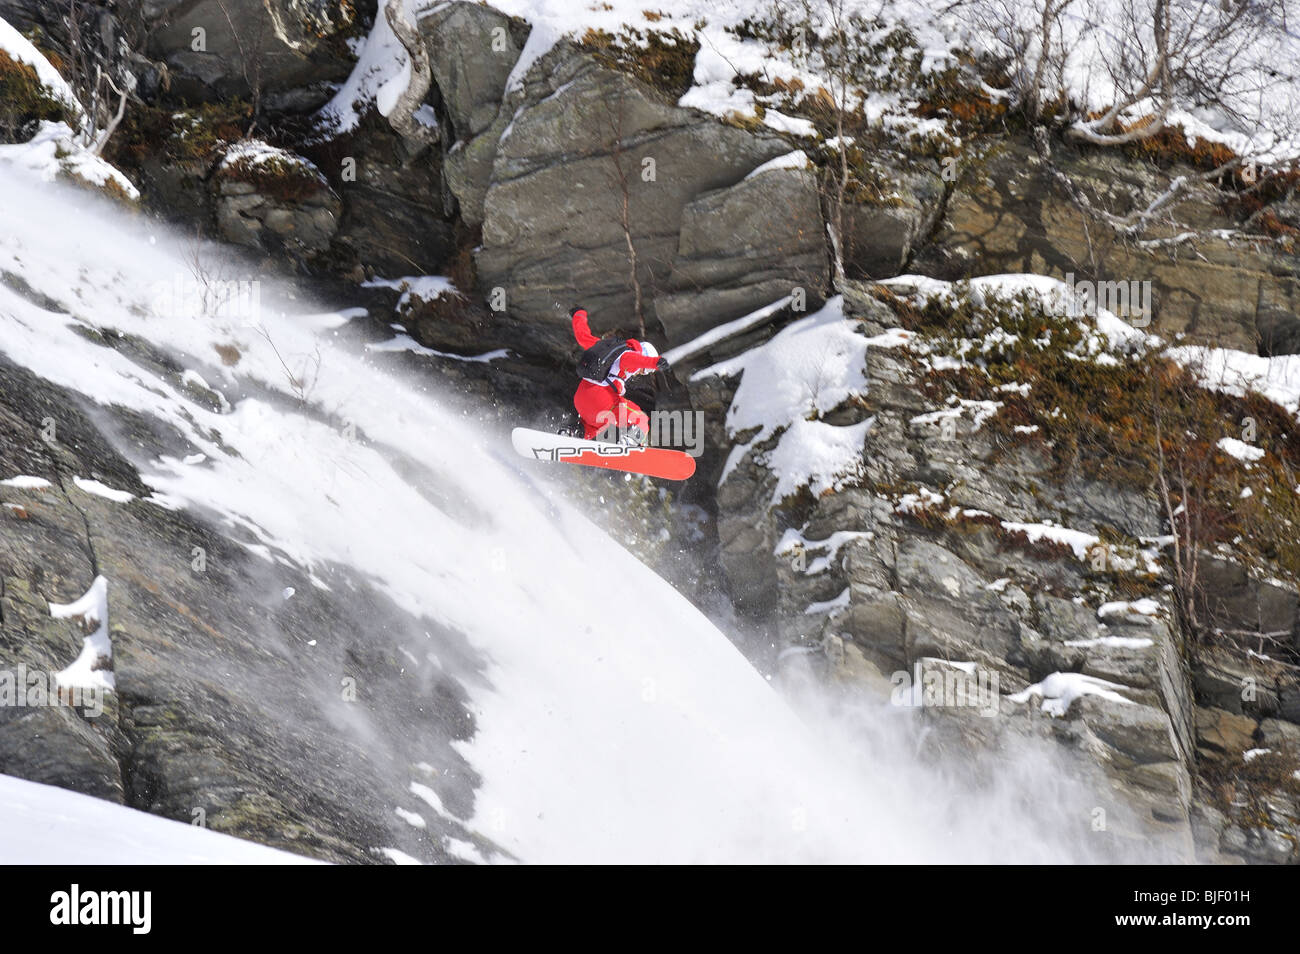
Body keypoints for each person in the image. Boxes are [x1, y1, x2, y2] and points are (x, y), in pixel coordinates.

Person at [569, 306, 670, 443]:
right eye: (644, 371)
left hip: (582, 398)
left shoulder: (606, 349)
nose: (640, 373)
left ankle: (573, 432)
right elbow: (635, 360)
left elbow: (583, 337)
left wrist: (578, 315)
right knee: (639, 418)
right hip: (601, 400)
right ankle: (631, 442)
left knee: (597, 424)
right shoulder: (628, 355)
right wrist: (655, 363)